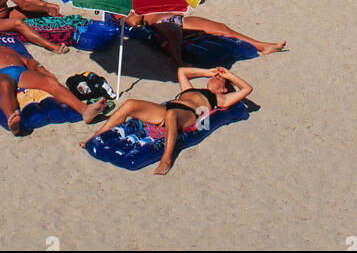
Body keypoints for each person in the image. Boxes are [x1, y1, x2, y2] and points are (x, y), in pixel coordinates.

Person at [81, 65, 254, 175]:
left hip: (187, 115)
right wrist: (207, 71)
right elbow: (181, 71)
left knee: (172, 115)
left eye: (219, 79)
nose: (215, 77)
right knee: (130, 104)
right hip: (165, 109)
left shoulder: (220, 99)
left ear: (224, 90)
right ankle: (95, 136)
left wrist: (229, 75)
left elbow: (247, 89)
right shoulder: (190, 90)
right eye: (215, 76)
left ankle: (166, 159)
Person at [0, 27, 105, 134]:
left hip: (21, 72)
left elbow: (27, 61)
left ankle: (84, 110)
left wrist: (40, 68)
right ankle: (13, 121)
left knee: (49, 82)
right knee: (6, 86)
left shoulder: (5, 47)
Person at [126, 11, 285, 63]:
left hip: (177, 18)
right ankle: (179, 63)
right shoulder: (122, 5)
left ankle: (263, 46)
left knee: (222, 28)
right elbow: (132, 21)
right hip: (161, 23)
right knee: (175, 36)